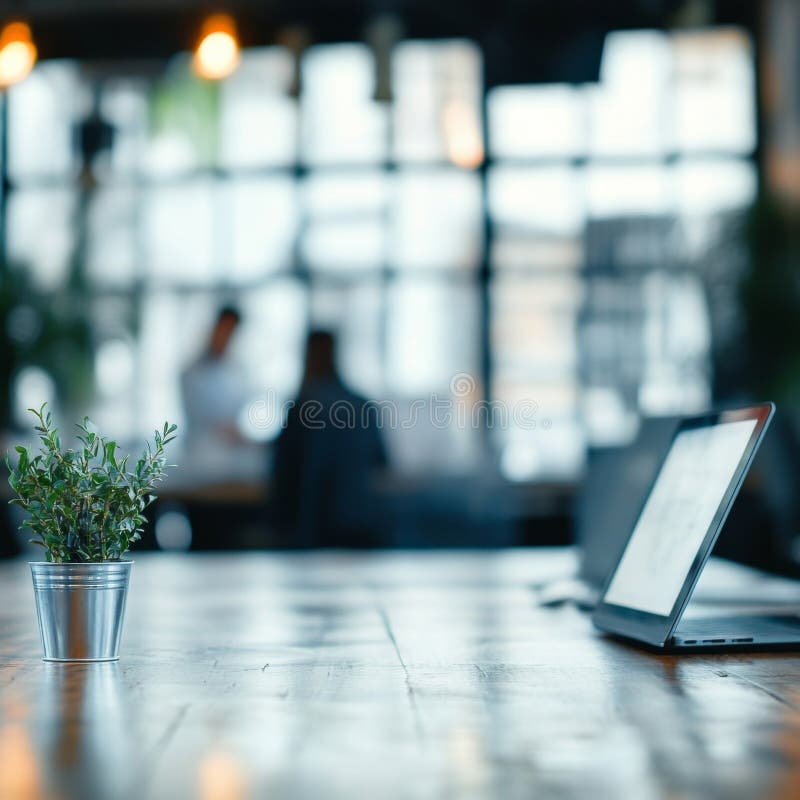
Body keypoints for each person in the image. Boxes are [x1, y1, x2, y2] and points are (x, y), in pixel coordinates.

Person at [271, 330, 388, 547]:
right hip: (361, 524)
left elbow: (282, 473)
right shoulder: (362, 405)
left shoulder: (303, 407)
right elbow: (382, 462)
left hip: (313, 528)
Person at [181, 306, 248, 471]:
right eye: (224, 331)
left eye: (231, 333)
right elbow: (203, 416)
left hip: (229, 460)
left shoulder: (236, 372)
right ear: (214, 329)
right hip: (199, 457)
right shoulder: (192, 373)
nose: (227, 338)